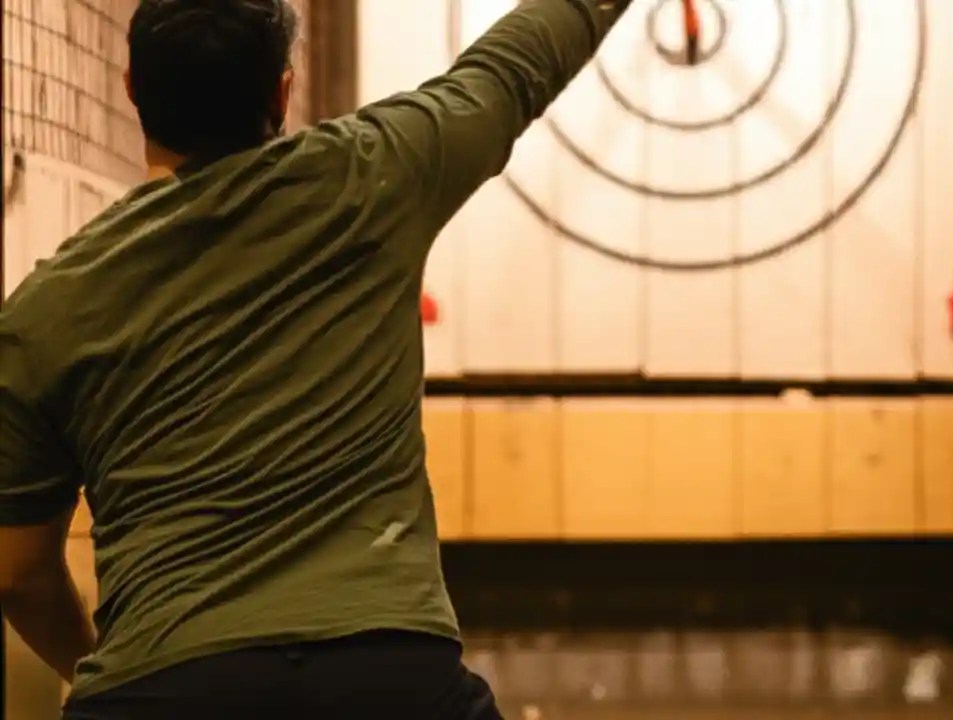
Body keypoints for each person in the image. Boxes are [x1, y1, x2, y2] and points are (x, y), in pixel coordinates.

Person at [0, 0, 631, 717]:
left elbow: (19, 574)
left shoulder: (43, 311)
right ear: (282, 91)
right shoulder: (375, 171)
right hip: (389, 677)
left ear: (132, 89)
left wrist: (112, 672)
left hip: (164, 684)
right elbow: (520, 61)